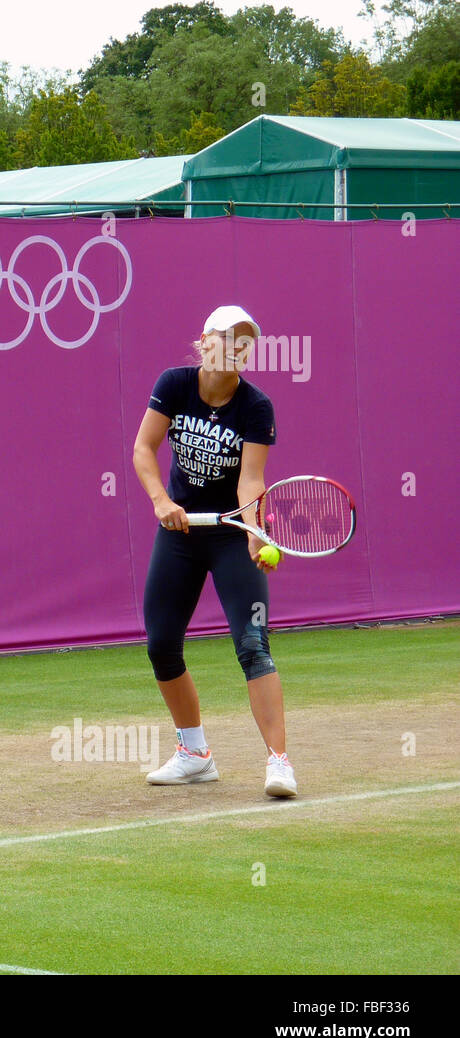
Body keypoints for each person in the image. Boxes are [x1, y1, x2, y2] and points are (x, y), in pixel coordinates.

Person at [131, 305, 297, 798]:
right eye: (228, 339)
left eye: (245, 342)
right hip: (179, 532)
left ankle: (280, 763)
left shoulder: (256, 406)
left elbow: (251, 478)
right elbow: (144, 449)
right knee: (161, 644)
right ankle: (194, 754)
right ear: (204, 341)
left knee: (253, 644)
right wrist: (162, 501)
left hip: (229, 536)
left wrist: (253, 527)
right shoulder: (174, 383)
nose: (236, 349)